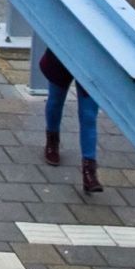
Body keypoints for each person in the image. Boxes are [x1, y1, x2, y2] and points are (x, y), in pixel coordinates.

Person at [39, 48, 103, 193]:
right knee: (56, 100)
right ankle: (52, 139)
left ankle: (89, 170)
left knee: (88, 115)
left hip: (92, 59)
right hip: (64, 50)